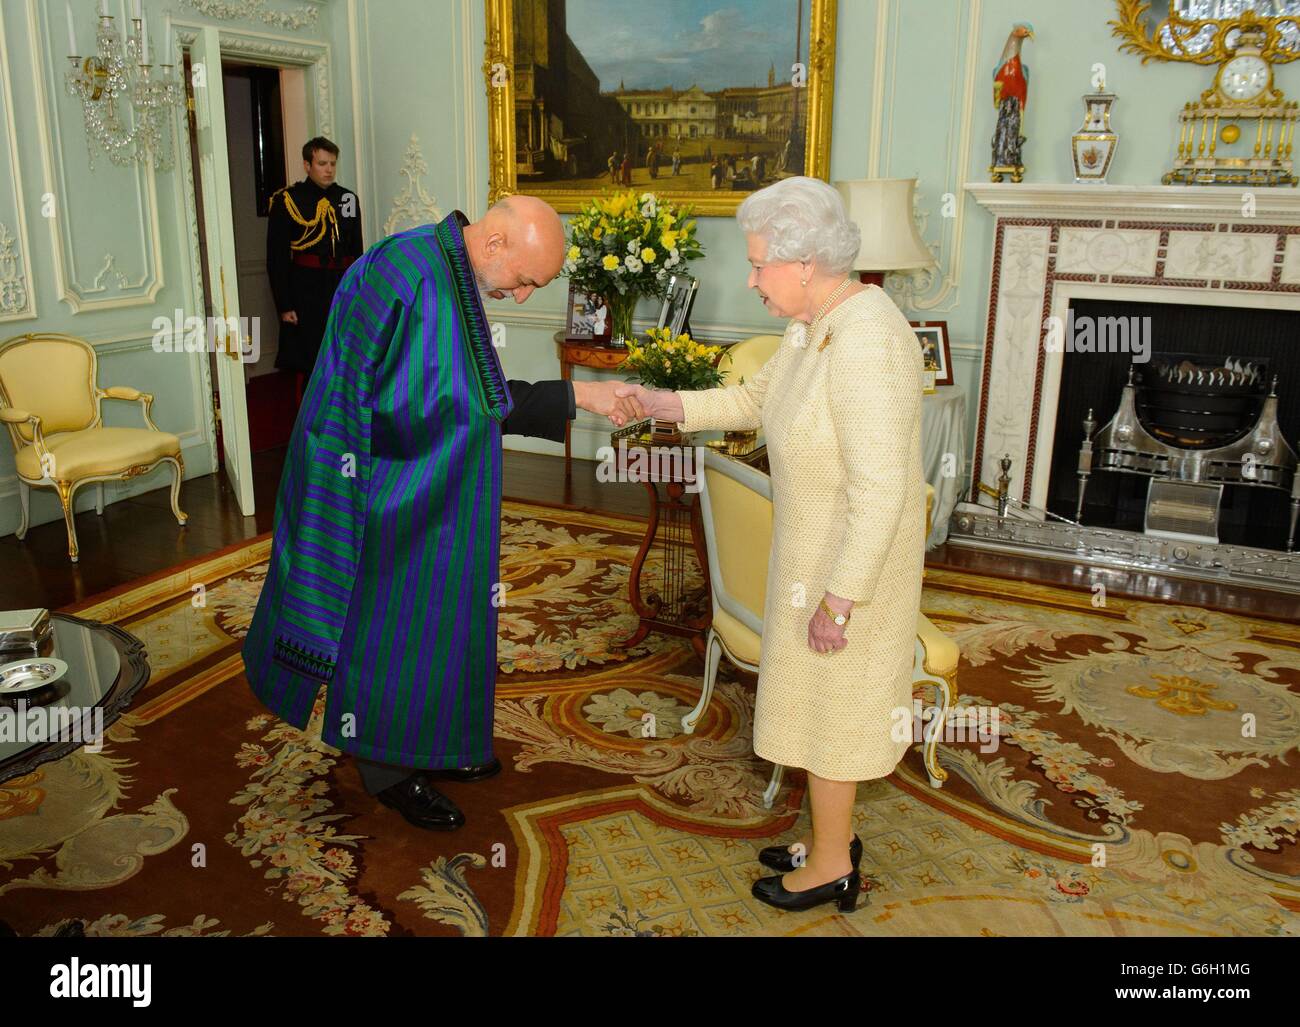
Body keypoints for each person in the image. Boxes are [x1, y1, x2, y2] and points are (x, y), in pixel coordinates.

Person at [243, 196, 645, 832]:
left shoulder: (450, 270)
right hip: (378, 486)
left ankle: (434, 742)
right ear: (495, 245)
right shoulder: (406, 273)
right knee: (386, 631)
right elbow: (421, 404)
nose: (519, 296)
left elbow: (470, 394)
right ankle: (385, 767)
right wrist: (576, 397)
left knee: (441, 620)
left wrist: (583, 396)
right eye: (524, 281)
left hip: (426, 484)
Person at [616, 177, 925, 913]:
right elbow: (754, 400)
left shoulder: (867, 339)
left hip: (853, 571)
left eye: (759, 265)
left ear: (806, 264)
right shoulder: (813, 326)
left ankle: (831, 868)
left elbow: (884, 492)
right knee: (818, 707)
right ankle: (830, 840)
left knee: (837, 716)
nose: (752, 280)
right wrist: (668, 404)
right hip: (814, 557)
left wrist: (841, 602)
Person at [266, 137, 364, 398]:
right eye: (322, 163)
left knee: (344, 351)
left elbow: (357, 251)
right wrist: (285, 304)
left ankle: (342, 408)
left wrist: (359, 291)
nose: (329, 169)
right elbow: (276, 257)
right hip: (305, 288)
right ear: (307, 165)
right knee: (311, 356)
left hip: (341, 284)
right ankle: (310, 413)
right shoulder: (288, 200)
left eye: (332, 163)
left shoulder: (347, 199)